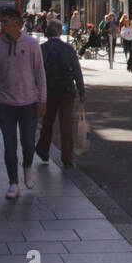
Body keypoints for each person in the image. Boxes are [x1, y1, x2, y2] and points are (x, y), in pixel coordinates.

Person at [0, 8, 46, 200]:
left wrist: (43, 99)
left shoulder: (32, 44)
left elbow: (40, 73)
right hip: (5, 103)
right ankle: (13, 183)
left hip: (28, 103)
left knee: (27, 143)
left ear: (17, 24)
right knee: (9, 146)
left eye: (6, 22)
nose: (2, 25)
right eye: (2, 22)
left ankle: (27, 165)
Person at [37, 19, 86, 169]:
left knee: (47, 121)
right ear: (59, 31)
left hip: (49, 90)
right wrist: (81, 90)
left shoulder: (42, 49)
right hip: (66, 90)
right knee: (66, 124)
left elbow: (37, 72)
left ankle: (43, 149)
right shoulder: (68, 49)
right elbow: (76, 70)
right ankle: (67, 157)